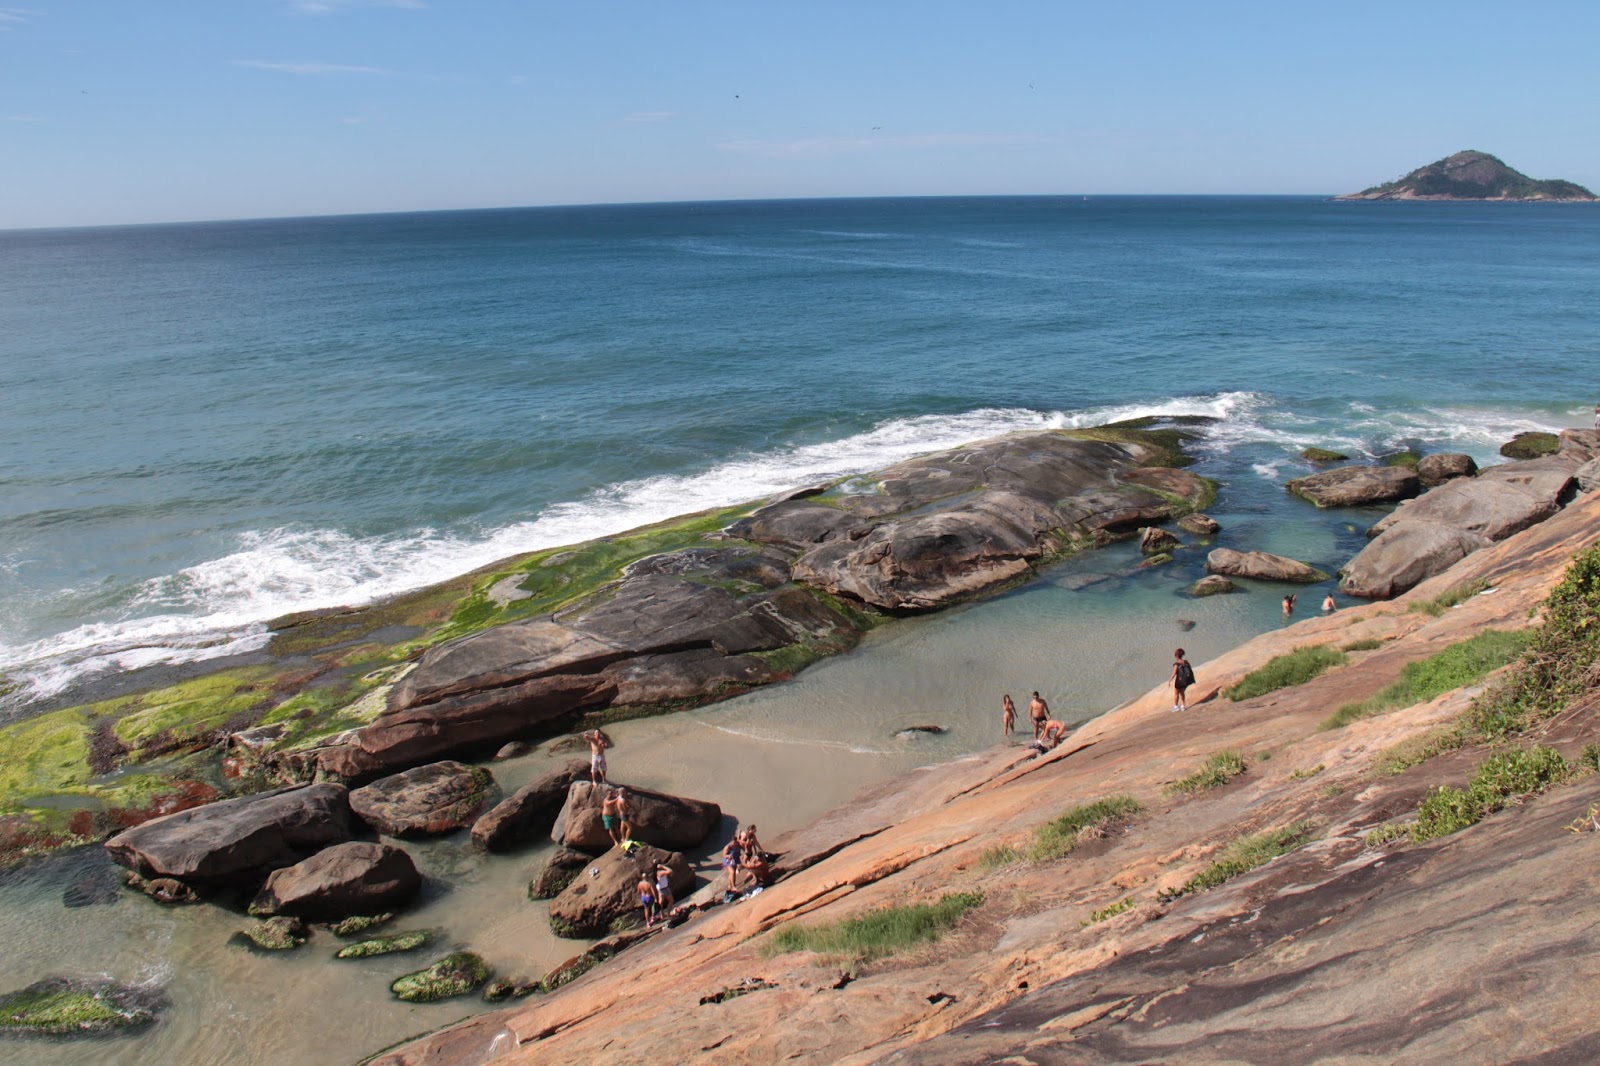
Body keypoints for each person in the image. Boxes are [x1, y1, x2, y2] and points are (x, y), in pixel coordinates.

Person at [1171, 648, 1194, 712]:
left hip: (1179, 681)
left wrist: (1169, 680)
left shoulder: (1176, 664)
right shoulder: (1186, 662)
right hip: (1185, 681)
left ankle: (1176, 706)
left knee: (1176, 693)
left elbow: (1174, 673)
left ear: (1176, 656)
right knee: (1182, 693)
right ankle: (1183, 706)